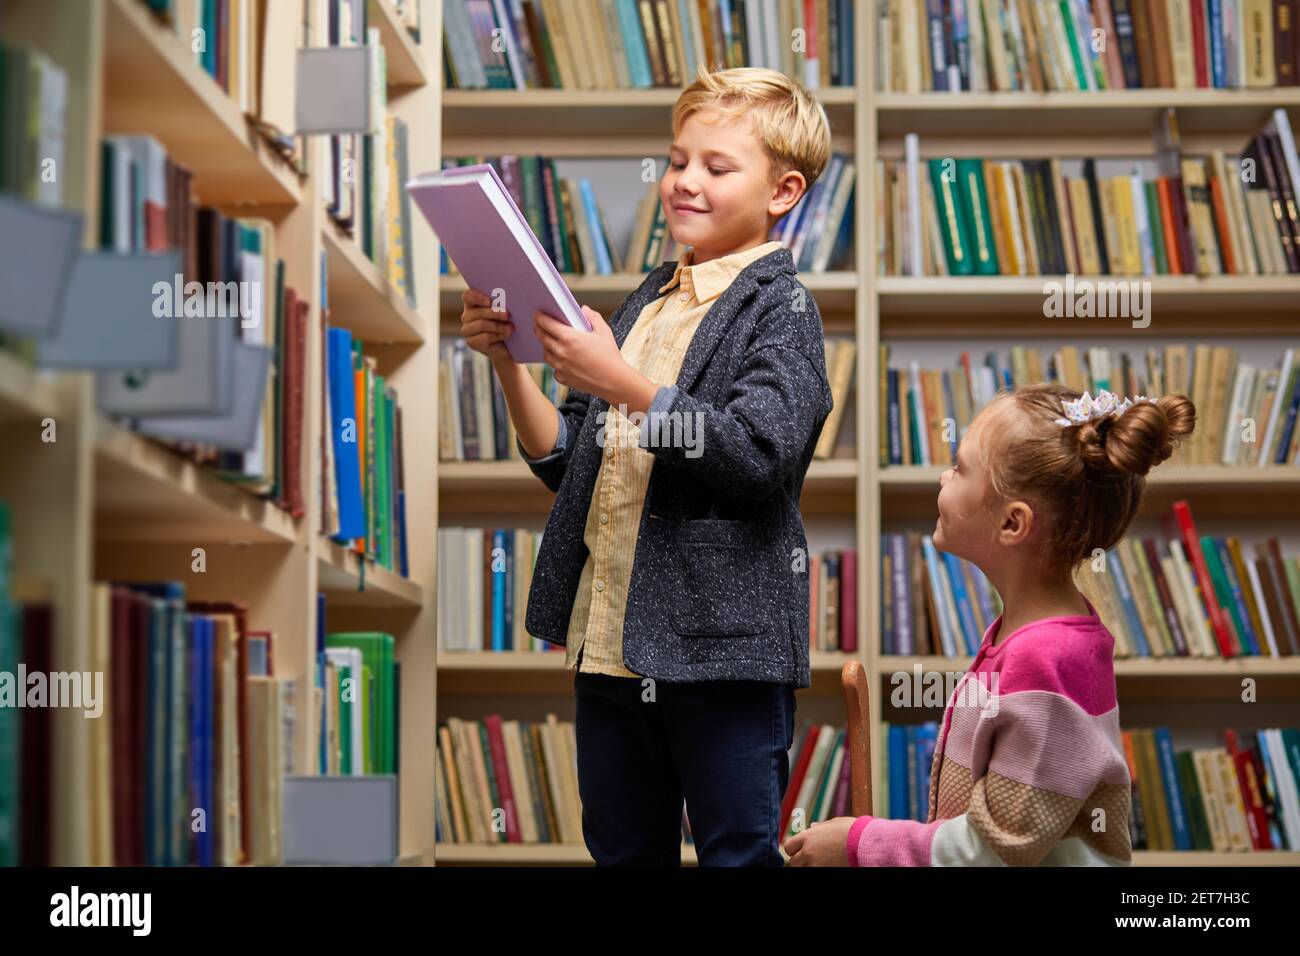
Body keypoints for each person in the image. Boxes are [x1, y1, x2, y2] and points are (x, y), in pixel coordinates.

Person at [457, 66, 834, 866]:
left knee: (739, 854)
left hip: (721, 654)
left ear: (784, 190)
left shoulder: (781, 308)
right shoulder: (651, 298)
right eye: (676, 160)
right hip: (610, 650)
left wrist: (619, 381)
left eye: (716, 167)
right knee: (624, 855)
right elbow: (575, 467)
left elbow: (758, 455)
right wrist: (509, 361)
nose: (684, 183)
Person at [785, 385, 1195, 866]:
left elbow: (991, 851)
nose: (943, 476)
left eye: (959, 468)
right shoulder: (1032, 638)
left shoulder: (1047, 660)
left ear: (1012, 524)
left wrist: (860, 844)